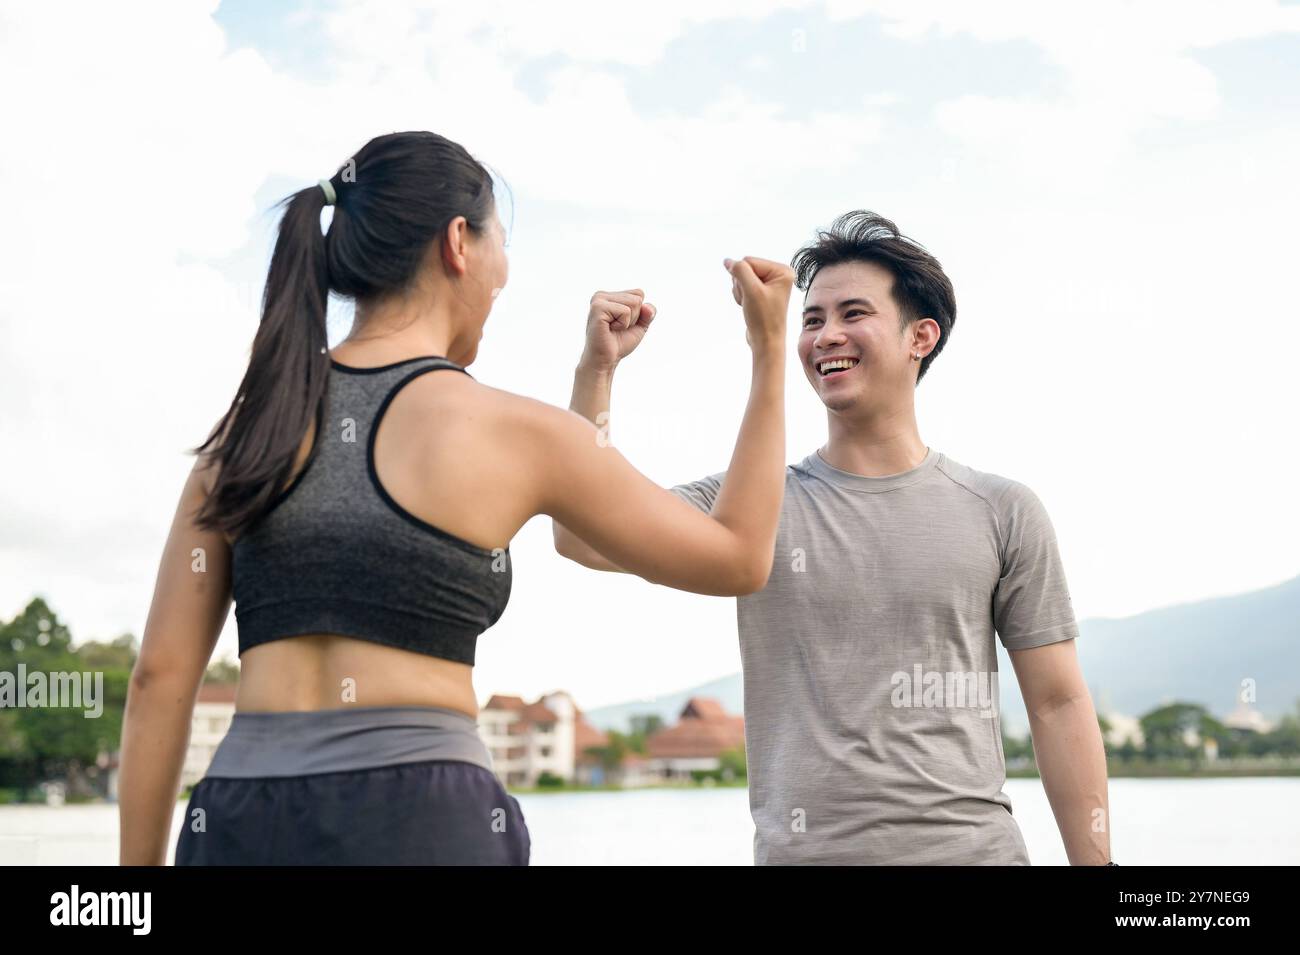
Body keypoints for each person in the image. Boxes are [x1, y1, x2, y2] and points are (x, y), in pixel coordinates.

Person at [117, 130, 794, 865]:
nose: (503, 274)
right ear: (457, 244)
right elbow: (738, 557)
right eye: (500, 243)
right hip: (421, 818)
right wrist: (768, 352)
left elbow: (160, 678)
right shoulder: (518, 433)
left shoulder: (246, 432)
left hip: (245, 818)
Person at [554, 211, 1113, 865]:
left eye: (853, 313)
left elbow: (1057, 702)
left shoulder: (1003, 509)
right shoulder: (747, 505)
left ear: (920, 337)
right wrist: (597, 370)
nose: (828, 335)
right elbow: (580, 532)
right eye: (812, 318)